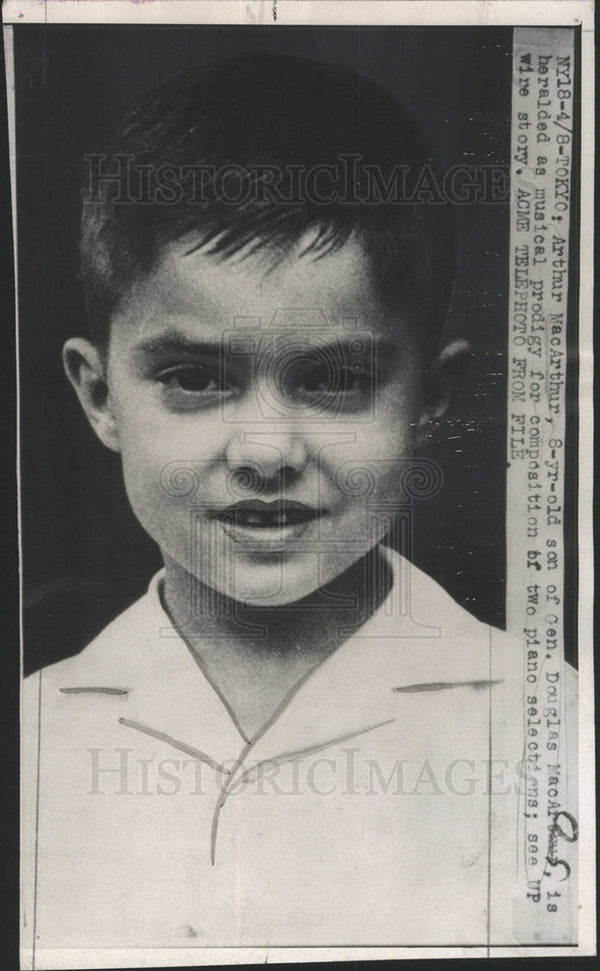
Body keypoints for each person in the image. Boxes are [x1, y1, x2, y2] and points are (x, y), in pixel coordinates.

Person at [21, 52, 576, 956]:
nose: (267, 450)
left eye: (335, 379)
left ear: (432, 397)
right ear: (98, 395)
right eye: (195, 377)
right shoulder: (33, 733)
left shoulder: (553, 733)